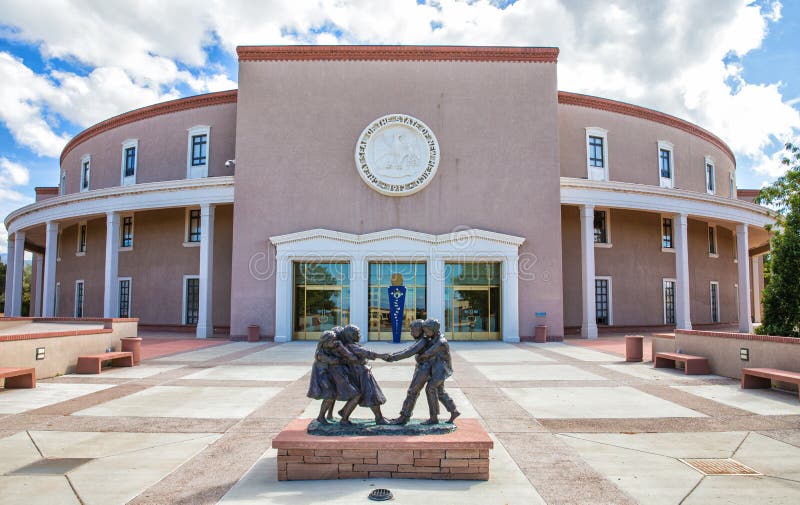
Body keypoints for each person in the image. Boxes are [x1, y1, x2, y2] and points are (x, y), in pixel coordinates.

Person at [386, 318, 460, 425]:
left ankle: (406, 416)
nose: (411, 333)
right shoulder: (430, 339)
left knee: (416, 391)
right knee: (439, 392)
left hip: (431, 369)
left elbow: (410, 352)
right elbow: (411, 350)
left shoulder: (431, 341)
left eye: (413, 330)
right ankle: (452, 411)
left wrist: (392, 357)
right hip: (434, 369)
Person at [337, 324, 391, 425]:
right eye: (357, 333)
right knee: (372, 394)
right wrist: (380, 355)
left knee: (366, 395)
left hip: (360, 372)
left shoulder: (351, 345)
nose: (360, 335)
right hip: (360, 374)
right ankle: (378, 418)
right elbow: (365, 352)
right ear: (350, 335)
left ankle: (345, 413)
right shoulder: (351, 346)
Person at [307, 329, 359, 424]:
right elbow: (334, 361)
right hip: (323, 379)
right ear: (325, 342)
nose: (334, 342)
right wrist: (343, 351)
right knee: (329, 397)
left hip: (328, 376)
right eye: (332, 341)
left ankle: (328, 415)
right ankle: (320, 417)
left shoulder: (328, 349)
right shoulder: (320, 354)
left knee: (332, 396)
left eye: (334, 340)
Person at [418, 318, 459, 425]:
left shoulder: (440, 341)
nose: (426, 334)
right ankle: (454, 411)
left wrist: (419, 357)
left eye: (427, 331)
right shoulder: (434, 338)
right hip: (437, 369)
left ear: (433, 329)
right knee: (440, 392)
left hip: (440, 370)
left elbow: (428, 353)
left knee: (430, 389)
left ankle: (433, 417)